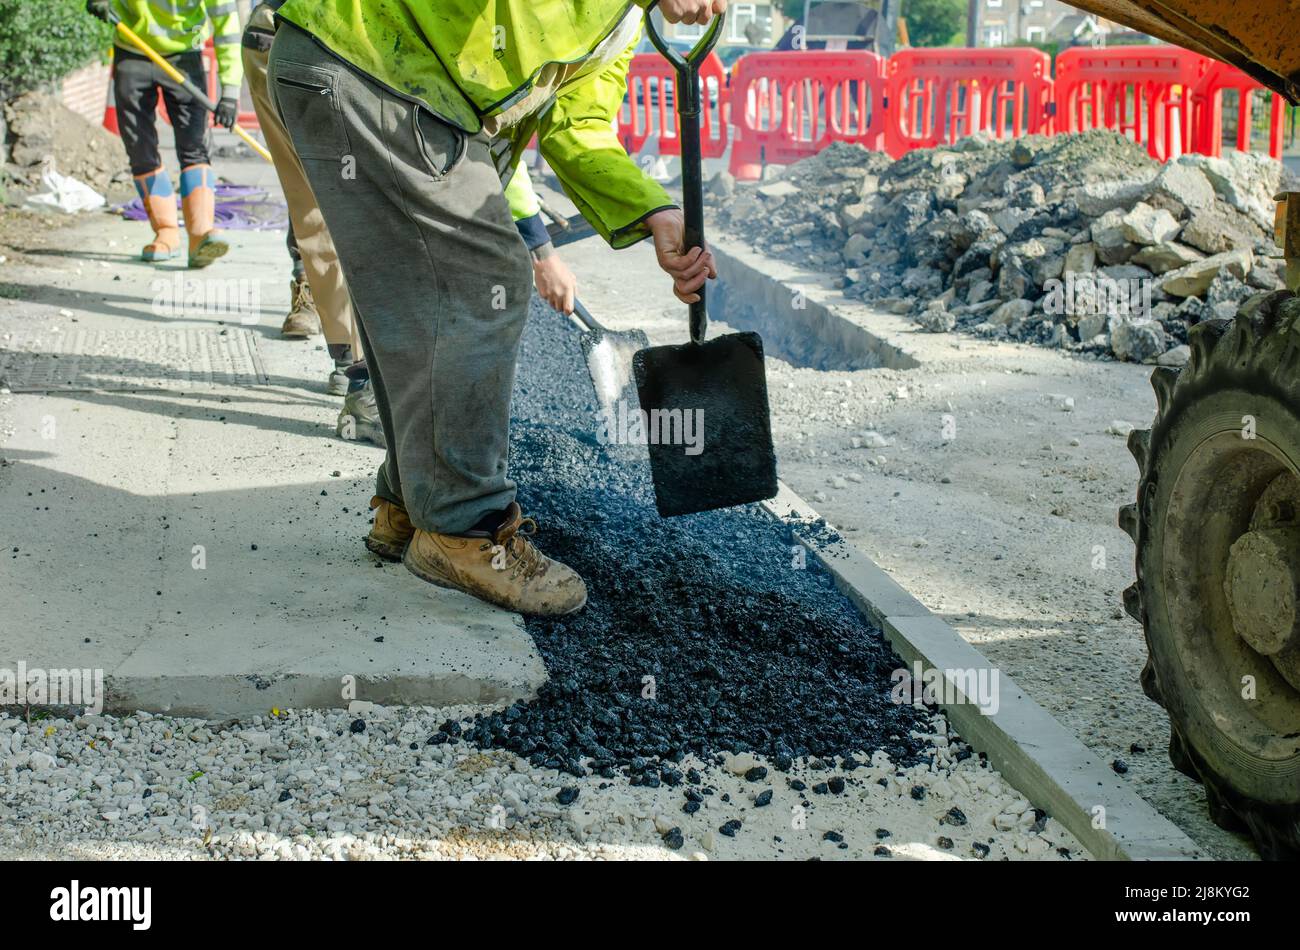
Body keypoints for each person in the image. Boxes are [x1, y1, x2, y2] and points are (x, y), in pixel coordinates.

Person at [268, 0, 724, 617]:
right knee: (488, 276)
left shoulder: (618, 26)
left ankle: (409, 504)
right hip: (368, 56)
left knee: (413, 291)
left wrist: (655, 212)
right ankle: (462, 531)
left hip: (365, 74)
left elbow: (578, 128)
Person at [86, 0, 240, 268]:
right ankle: (166, 232)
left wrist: (230, 93)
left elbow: (227, 26)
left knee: (193, 145)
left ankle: (200, 235)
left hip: (186, 54)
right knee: (139, 146)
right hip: (132, 48)